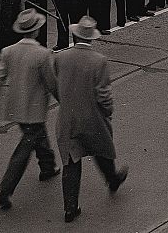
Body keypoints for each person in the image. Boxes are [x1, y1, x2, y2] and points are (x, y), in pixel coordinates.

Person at [54, 15, 128, 223]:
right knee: (101, 149)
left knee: (71, 161)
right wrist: (108, 111)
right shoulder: (99, 61)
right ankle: (112, 179)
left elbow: (57, 84)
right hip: (92, 117)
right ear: (91, 38)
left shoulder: (60, 57)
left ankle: (70, 208)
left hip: (68, 118)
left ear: (75, 36)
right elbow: (103, 94)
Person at [0, 8, 60, 210]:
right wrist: (64, 101)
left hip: (16, 106)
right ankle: (5, 189)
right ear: (36, 30)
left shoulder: (8, 51)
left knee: (37, 135)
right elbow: (52, 83)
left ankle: (48, 166)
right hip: (35, 108)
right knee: (25, 148)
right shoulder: (43, 54)